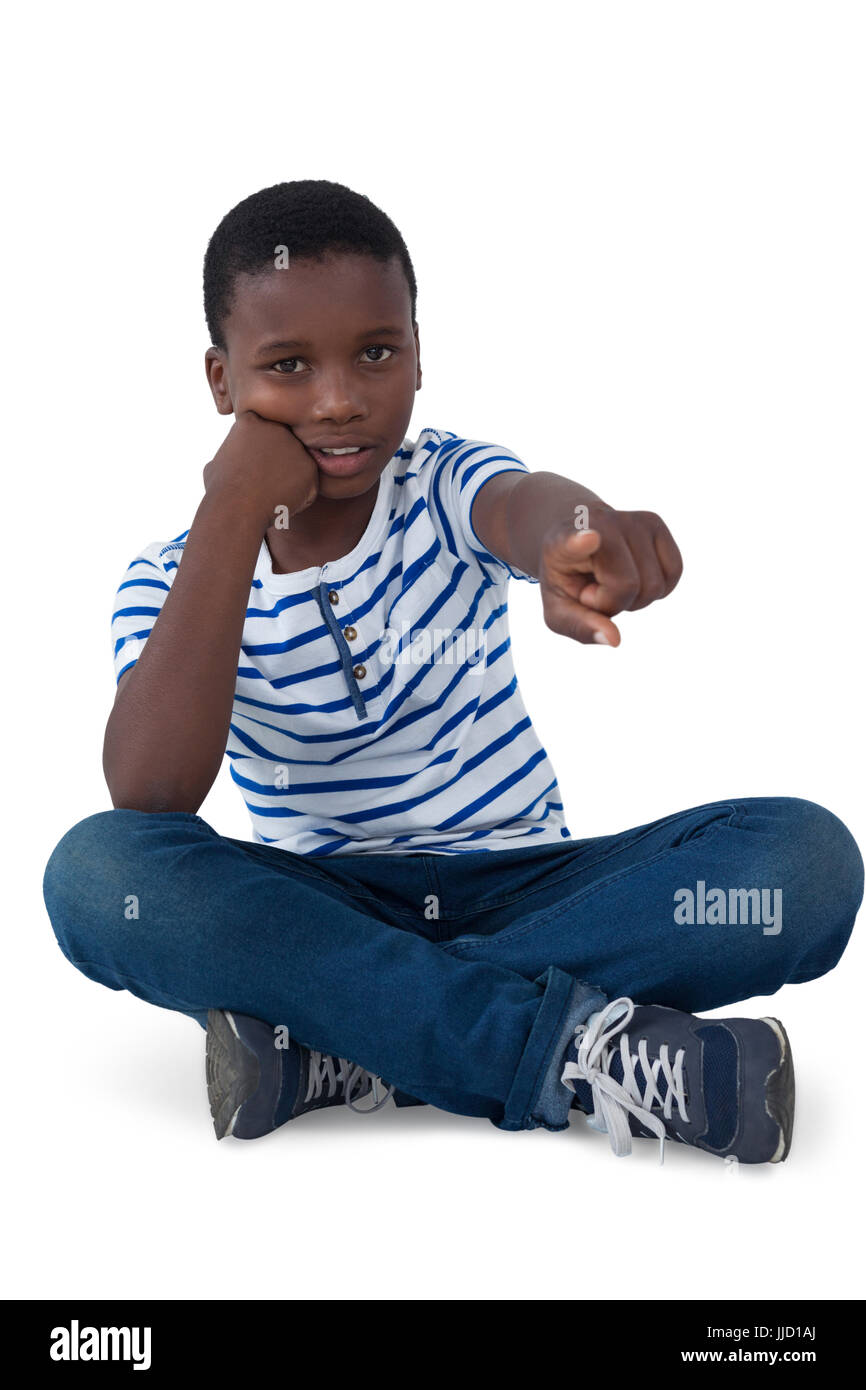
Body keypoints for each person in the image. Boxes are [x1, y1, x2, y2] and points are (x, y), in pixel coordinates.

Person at [42, 180, 863, 1165]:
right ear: (223, 383)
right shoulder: (166, 579)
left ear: (419, 356)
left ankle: (355, 1039)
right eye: (287, 365)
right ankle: (568, 1046)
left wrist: (574, 536)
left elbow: (522, 507)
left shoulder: (437, 481)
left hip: (535, 887)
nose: (338, 397)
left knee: (799, 863)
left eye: (375, 353)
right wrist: (230, 510)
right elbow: (151, 790)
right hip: (321, 903)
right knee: (98, 874)